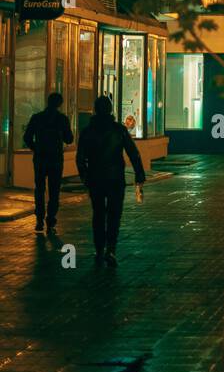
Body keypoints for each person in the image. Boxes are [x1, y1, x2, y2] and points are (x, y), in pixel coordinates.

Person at [76, 95, 146, 266]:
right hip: (115, 179)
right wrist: (139, 174)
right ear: (110, 110)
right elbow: (133, 153)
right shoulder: (119, 130)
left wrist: (85, 176)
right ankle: (111, 249)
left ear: (95, 110)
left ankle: (99, 248)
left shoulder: (87, 131)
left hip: (95, 178)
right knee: (114, 214)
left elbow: (80, 158)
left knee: (98, 214)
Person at [23, 91, 74, 235]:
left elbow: (27, 137)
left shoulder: (37, 118)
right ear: (59, 104)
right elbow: (69, 139)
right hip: (56, 159)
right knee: (54, 190)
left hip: (40, 159)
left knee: (39, 189)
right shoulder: (61, 119)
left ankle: (39, 219)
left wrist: (36, 148)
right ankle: (50, 219)